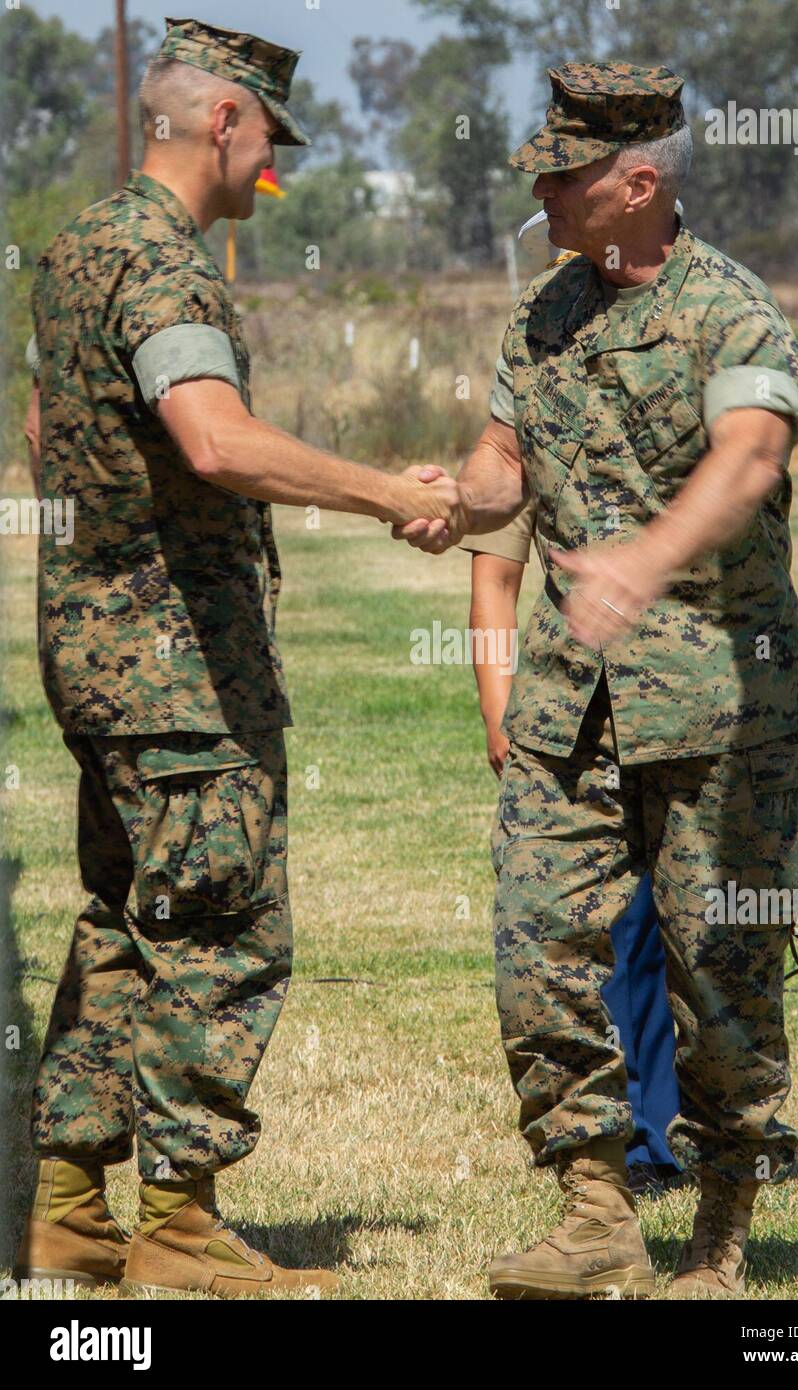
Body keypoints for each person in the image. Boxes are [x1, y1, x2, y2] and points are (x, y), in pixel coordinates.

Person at [14, 16, 463, 1299]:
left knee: (121, 921)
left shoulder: (79, 248)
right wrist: (386, 491)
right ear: (223, 122)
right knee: (219, 927)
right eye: (269, 137)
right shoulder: (166, 264)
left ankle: (64, 1209)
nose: (275, 165)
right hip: (180, 675)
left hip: (96, 656)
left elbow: (53, 423)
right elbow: (212, 439)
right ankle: (177, 1222)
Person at [395, 61, 798, 1299]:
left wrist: (644, 558)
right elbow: (502, 463)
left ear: (636, 183)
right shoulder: (539, 309)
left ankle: (720, 1236)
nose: (539, 185)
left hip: (719, 704)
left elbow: (749, 456)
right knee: (536, 948)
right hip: (566, 709)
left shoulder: (730, 312)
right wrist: (449, 500)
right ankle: (594, 1213)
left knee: (721, 979)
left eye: (563, 169)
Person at [460, 503, 683, 1189]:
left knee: (681, 932)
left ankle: (677, 1131)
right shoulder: (531, 405)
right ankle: (625, 1143)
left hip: (695, 711)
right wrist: (499, 709)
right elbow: (495, 577)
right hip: (581, 723)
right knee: (596, 931)